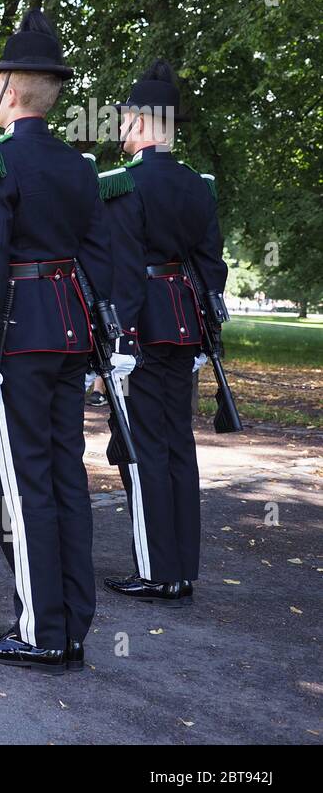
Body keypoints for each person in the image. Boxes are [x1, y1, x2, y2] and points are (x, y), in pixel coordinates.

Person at [0, 8, 127, 675]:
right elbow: (101, 258)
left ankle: (41, 630)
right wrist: (106, 337)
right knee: (65, 477)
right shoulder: (79, 166)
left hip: (19, 336)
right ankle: (72, 622)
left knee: (26, 481)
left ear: (9, 90)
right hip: (69, 330)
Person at [98, 59, 227, 605]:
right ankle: (181, 568)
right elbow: (210, 266)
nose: (123, 131)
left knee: (146, 447)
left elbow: (122, 269)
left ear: (146, 123)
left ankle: (156, 571)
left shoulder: (125, 185)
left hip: (142, 326)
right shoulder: (198, 187)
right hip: (183, 323)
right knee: (179, 444)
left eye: (127, 121)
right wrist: (205, 336)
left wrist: (119, 339)